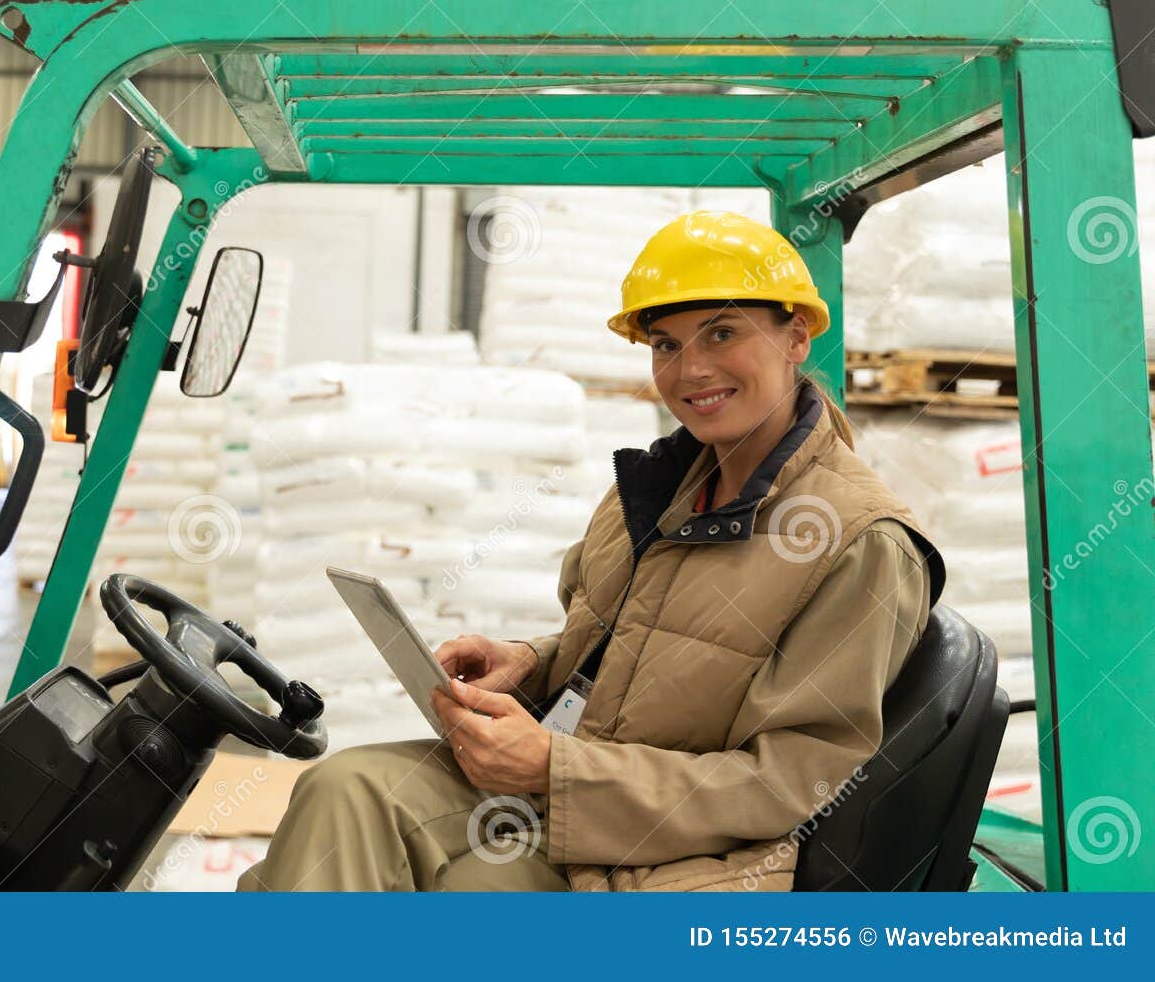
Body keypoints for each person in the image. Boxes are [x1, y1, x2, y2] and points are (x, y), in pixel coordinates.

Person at [237, 210, 944, 892]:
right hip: (567, 788)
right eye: (666, 344)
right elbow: (638, 648)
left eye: (721, 332)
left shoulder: (859, 542)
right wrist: (532, 663)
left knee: (478, 884)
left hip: (682, 855)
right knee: (342, 790)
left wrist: (557, 768)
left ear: (796, 336)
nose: (691, 369)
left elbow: (793, 781)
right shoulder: (656, 490)